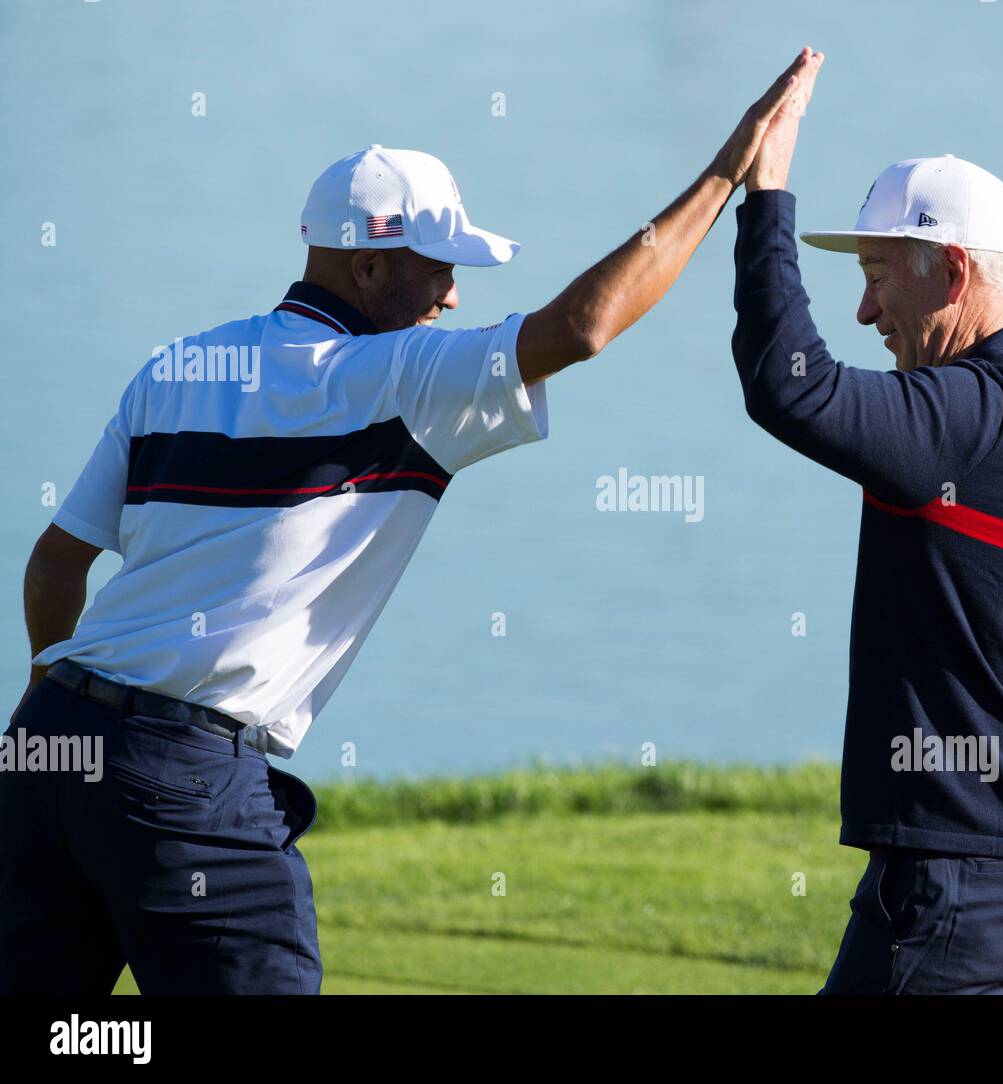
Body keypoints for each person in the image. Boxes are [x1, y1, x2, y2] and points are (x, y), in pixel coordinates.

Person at [0, 48, 822, 995]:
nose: (454, 296)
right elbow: (587, 325)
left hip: (50, 748)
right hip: (184, 784)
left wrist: (65, 729)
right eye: (440, 268)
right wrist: (730, 170)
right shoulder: (400, 376)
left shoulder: (177, 367)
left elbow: (53, 568)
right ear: (367, 263)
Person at [731, 55, 1003, 994]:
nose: (863, 311)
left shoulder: (969, 415)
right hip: (1001, 864)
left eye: (875, 277)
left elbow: (792, 388)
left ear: (950, 272)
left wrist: (765, 196)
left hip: (959, 878)